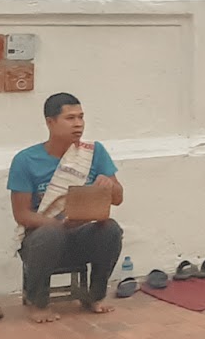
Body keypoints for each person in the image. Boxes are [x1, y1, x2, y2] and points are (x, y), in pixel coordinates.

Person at [7, 92, 124, 324]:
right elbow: (21, 214)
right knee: (50, 234)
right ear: (50, 122)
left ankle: (95, 297)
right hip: (41, 242)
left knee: (110, 229)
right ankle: (38, 304)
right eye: (70, 118)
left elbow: (118, 198)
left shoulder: (94, 153)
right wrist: (61, 225)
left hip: (80, 236)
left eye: (81, 117)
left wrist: (110, 186)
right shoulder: (25, 160)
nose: (78, 124)